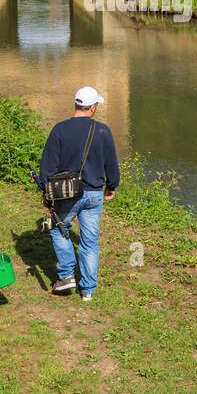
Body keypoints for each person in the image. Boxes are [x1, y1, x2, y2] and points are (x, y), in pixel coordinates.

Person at [38, 86, 120, 301]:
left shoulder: (59, 130)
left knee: (59, 230)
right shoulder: (103, 131)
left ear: (76, 104)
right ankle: (88, 290)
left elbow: (47, 166)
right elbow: (111, 164)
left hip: (66, 194)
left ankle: (66, 276)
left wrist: (47, 192)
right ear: (92, 108)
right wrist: (112, 186)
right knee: (90, 241)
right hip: (94, 194)